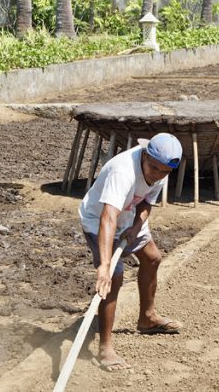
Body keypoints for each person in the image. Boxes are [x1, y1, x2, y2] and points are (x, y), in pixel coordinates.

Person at [78, 132, 184, 371]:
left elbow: (146, 201)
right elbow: (108, 217)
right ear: (145, 154)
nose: (157, 175)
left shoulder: (163, 167)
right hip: (98, 221)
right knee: (114, 276)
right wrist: (104, 266)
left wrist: (136, 226)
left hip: (129, 217)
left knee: (153, 258)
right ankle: (105, 347)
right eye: (153, 168)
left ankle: (147, 318)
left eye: (163, 172)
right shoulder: (122, 171)